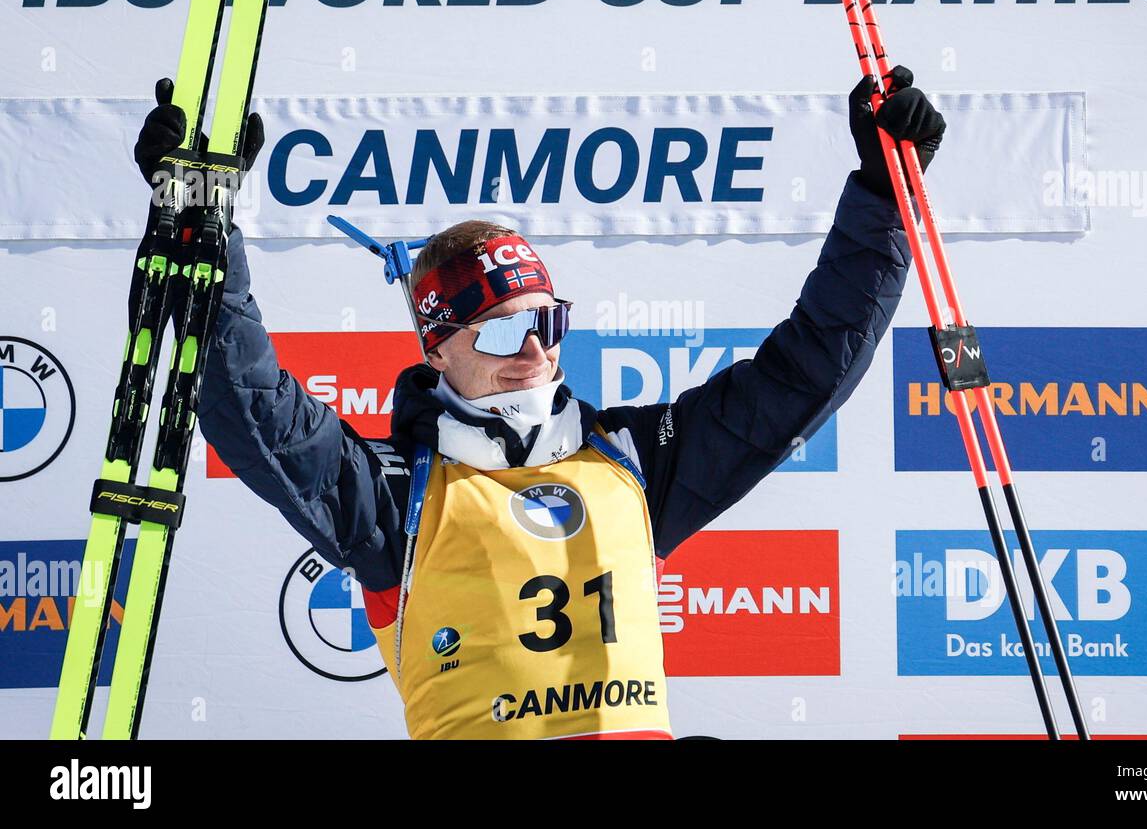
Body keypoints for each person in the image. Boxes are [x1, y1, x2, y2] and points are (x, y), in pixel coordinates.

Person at [132, 68, 944, 739]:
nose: (533, 350)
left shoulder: (632, 459)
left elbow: (804, 372)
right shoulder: (389, 495)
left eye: (548, 321)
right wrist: (205, 227)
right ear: (437, 348)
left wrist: (882, 193)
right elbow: (250, 406)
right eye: (500, 331)